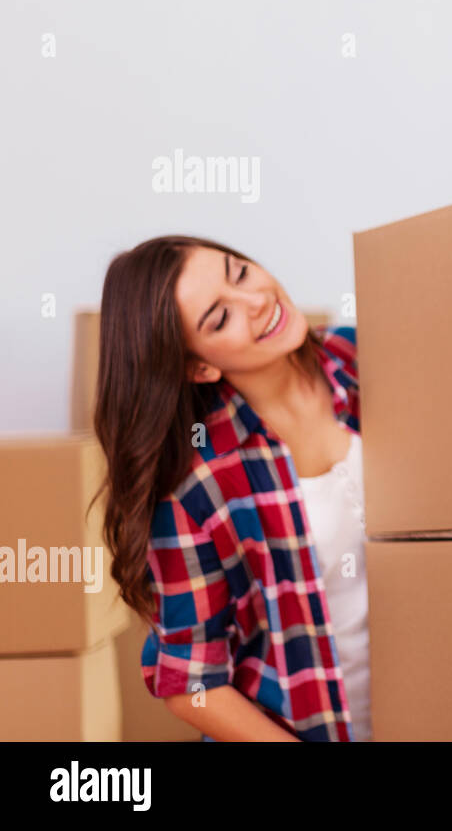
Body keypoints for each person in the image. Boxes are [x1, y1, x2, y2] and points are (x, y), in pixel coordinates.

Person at [94, 235, 369, 741]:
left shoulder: (358, 358)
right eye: (219, 318)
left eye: (239, 272)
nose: (257, 301)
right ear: (199, 366)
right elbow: (189, 681)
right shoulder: (196, 484)